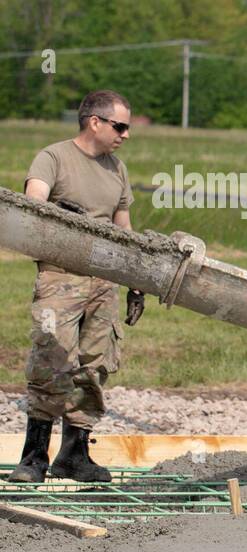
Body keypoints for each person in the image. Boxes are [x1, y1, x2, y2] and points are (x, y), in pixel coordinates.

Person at [9, 90, 144, 484]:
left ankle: (75, 456)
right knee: (53, 360)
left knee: (94, 366)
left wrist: (136, 282)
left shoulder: (117, 168)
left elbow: (124, 228)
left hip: (104, 281)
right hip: (60, 277)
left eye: (128, 127)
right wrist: (57, 214)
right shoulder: (53, 158)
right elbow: (32, 204)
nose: (126, 134)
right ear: (95, 122)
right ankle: (34, 458)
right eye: (120, 126)